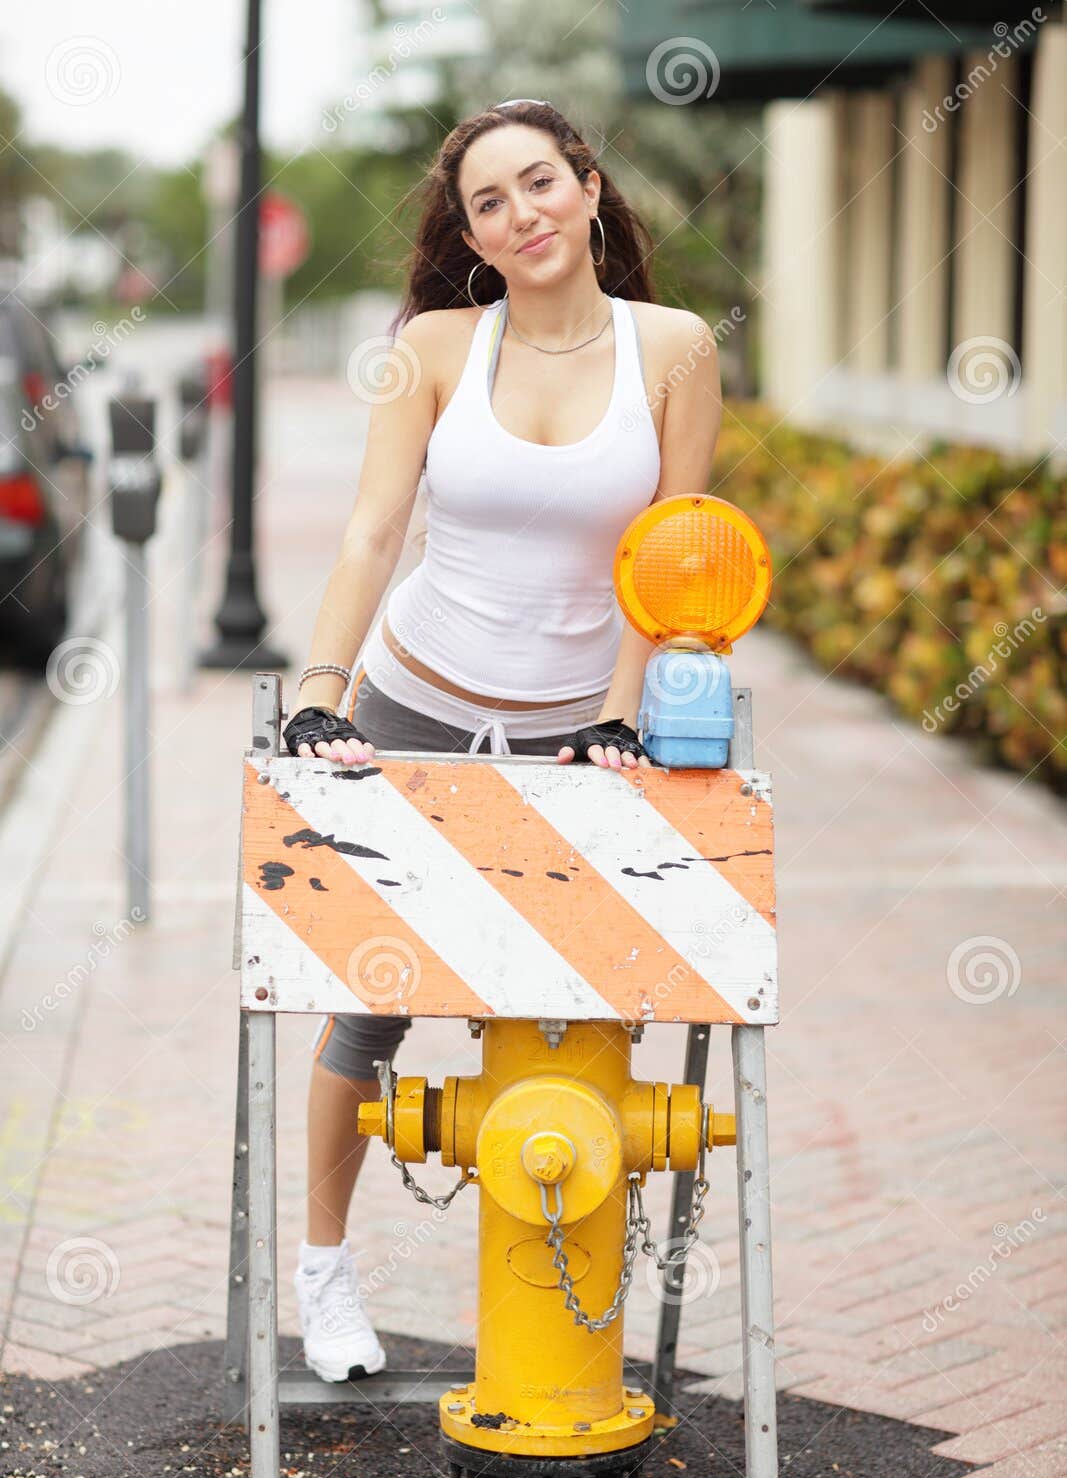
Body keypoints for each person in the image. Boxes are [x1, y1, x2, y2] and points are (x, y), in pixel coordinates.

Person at [283, 97, 722, 1382]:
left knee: (559, 1021)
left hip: (576, 734)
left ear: (587, 190)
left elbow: (672, 550)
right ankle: (322, 1273)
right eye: (489, 201)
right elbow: (373, 531)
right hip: (410, 705)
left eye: (539, 184)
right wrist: (322, 687)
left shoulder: (677, 349)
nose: (519, 213)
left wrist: (621, 714)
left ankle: (547, 1318)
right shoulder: (428, 347)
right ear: (470, 233)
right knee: (373, 1011)